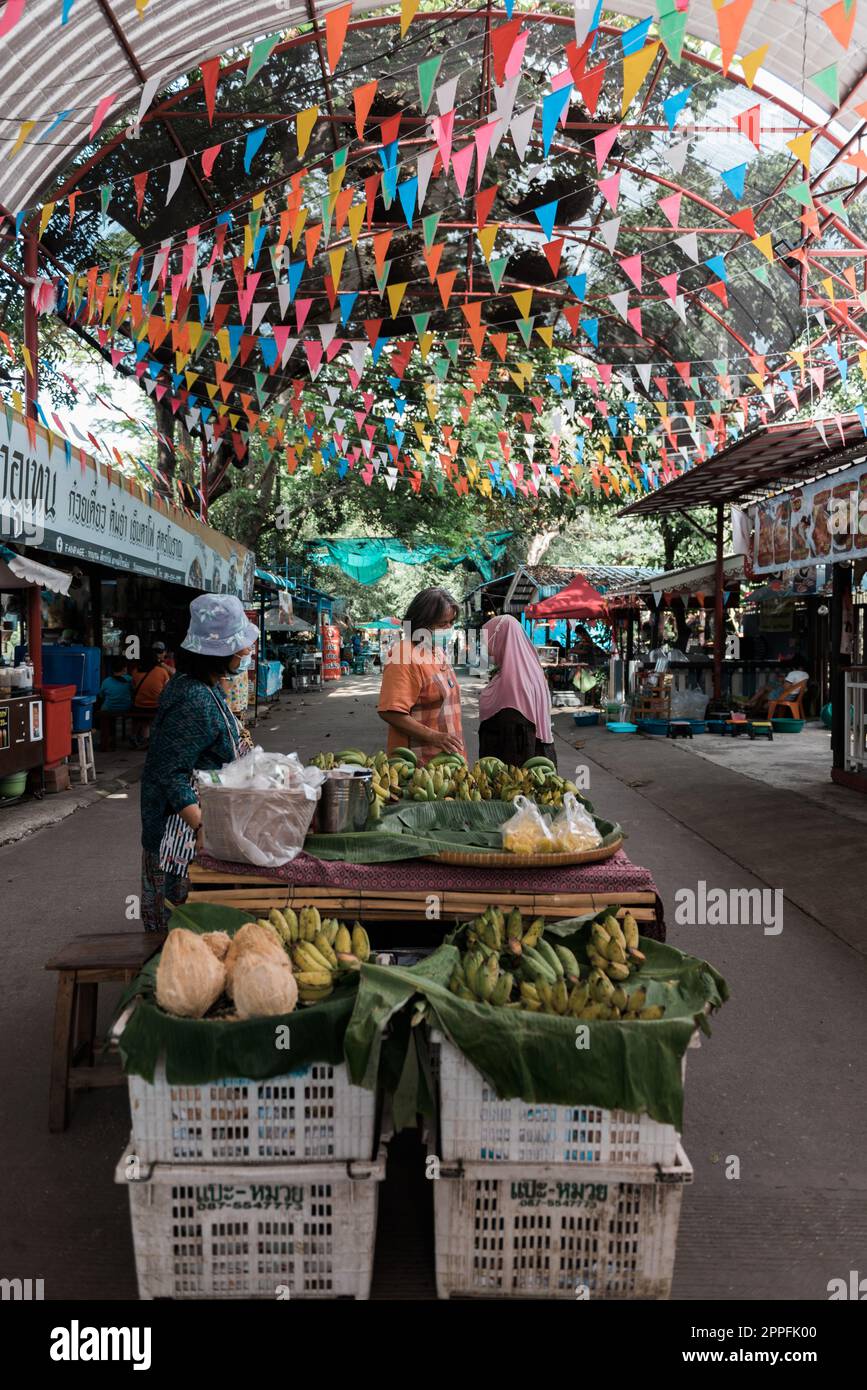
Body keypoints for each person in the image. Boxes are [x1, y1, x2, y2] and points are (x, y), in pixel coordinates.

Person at [139, 595, 258, 932]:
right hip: (182, 835)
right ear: (218, 652)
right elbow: (169, 775)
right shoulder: (191, 698)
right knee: (184, 930)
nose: (247, 652)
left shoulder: (208, 686)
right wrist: (203, 827)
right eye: (240, 646)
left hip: (207, 822)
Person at [377, 586, 466, 765]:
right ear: (421, 623)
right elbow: (390, 712)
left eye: (451, 622)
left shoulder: (436, 650)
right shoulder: (403, 655)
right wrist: (434, 737)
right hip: (419, 764)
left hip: (449, 760)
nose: (448, 628)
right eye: (442, 624)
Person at [478, 614, 557, 768]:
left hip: (515, 762)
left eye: (487, 639)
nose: (485, 645)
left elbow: (511, 735)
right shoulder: (532, 671)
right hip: (539, 756)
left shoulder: (512, 680)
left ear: (499, 638)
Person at [130, 642, 172, 747]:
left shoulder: (135, 672)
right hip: (156, 706)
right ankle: (147, 739)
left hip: (139, 705)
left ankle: (139, 737)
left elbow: (133, 688)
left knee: (143, 719)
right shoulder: (162, 672)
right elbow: (167, 690)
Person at [96, 656, 132, 752]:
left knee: (105, 714)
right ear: (125, 668)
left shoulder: (106, 681)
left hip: (109, 707)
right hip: (126, 707)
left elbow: (101, 695)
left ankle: (108, 738)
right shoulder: (130, 679)